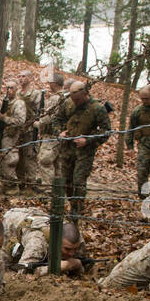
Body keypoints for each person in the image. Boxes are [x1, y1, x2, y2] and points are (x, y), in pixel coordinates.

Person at [50, 80, 110, 217]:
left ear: (85, 94)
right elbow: (57, 120)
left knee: (79, 181)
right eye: (73, 99)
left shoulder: (97, 108)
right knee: (66, 181)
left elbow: (106, 131)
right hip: (67, 148)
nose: (75, 102)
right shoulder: (68, 103)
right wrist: (60, 132)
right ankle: (72, 203)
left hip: (85, 151)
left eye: (78, 99)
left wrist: (88, 140)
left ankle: (77, 210)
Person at [1, 207, 86, 276]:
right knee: (4, 264)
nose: (72, 253)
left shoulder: (78, 240)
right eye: (67, 249)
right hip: (13, 221)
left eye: (74, 249)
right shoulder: (37, 241)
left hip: (40, 218)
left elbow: (83, 266)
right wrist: (61, 266)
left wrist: (77, 265)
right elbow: (23, 272)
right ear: (55, 242)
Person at [0, 81, 29, 196]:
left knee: (10, 159)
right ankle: (5, 183)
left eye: (11, 88)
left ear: (16, 89)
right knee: (2, 160)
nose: (9, 90)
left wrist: (5, 119)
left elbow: (20, 121)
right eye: (7, 88)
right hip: (2, 134)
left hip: (12, 135)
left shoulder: (18, 103)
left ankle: (12, 185)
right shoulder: (5, 102)